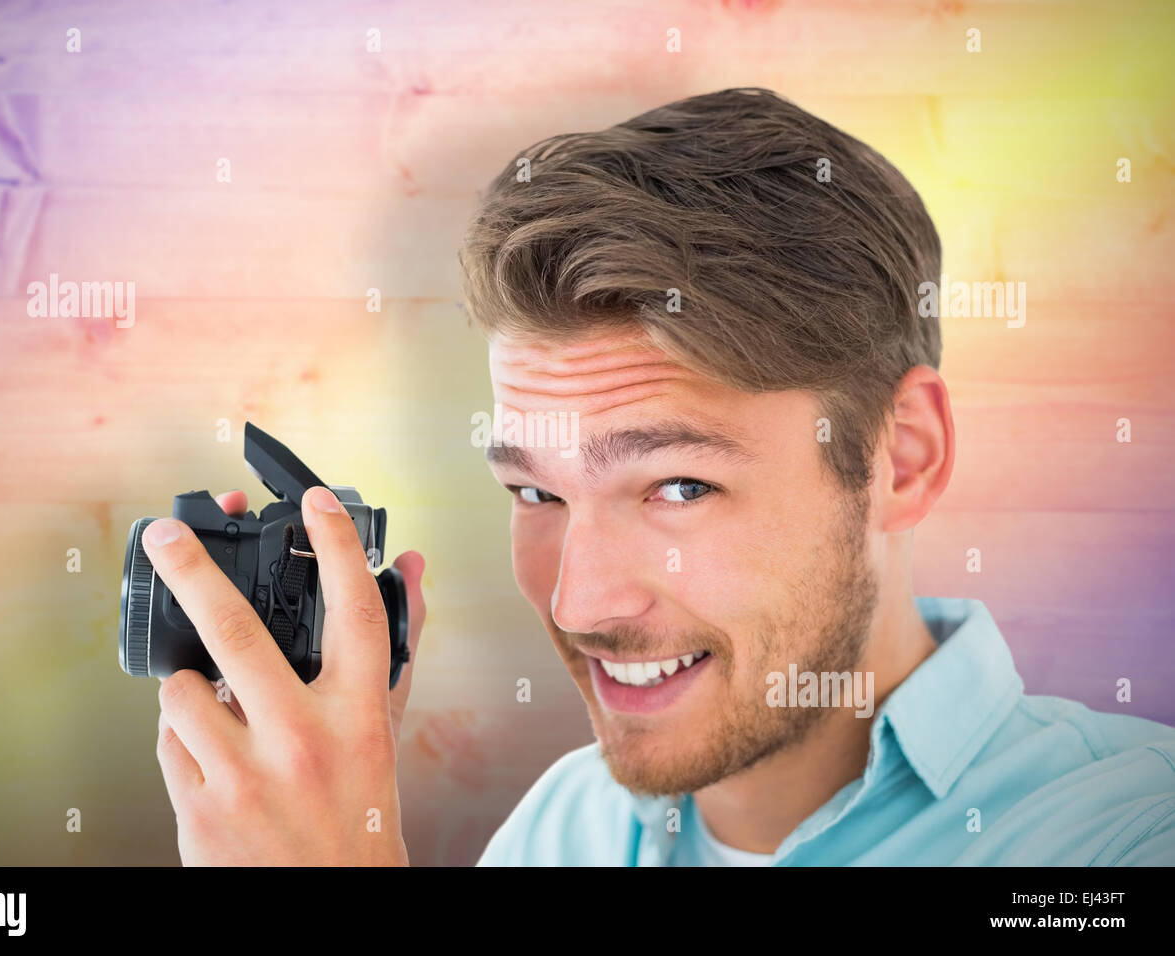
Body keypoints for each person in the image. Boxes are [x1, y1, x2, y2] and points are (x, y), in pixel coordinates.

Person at [145, 88, 1175, 866]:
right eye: (535, 492)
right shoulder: (562, 830)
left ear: (900, 457)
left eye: (677, 485)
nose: (577, 600)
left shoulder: (1122, 836)